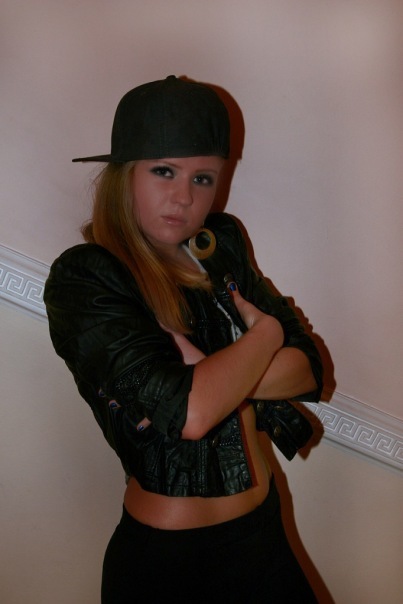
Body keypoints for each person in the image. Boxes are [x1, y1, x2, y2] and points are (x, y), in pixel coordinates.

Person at [44, 75, 323, 603]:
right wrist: (264, 336)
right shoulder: (87, 278)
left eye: (203, 178)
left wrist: (216, 377)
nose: (183, 196)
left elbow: (307, 368)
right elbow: (191, 413)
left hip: (264, 537)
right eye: (164, 171)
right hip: (171, 566)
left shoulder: (221, 245)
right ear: (123, 174)